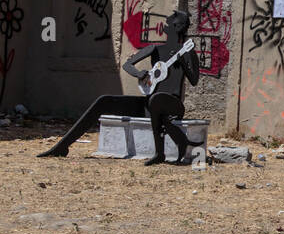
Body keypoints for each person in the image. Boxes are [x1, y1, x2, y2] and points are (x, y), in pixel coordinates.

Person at [39, 9, 200, 165]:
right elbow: (128, 64)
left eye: (169, 24)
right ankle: (61, 147)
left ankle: (160, 154)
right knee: (105, 101)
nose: (164, 26)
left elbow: (194, 80)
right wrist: (139, 74)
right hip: (150, 104)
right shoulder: (155, 48)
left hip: (173, 105)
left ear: (177, 27)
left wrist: (185, 62)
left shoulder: (186, 51)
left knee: (157, 99)